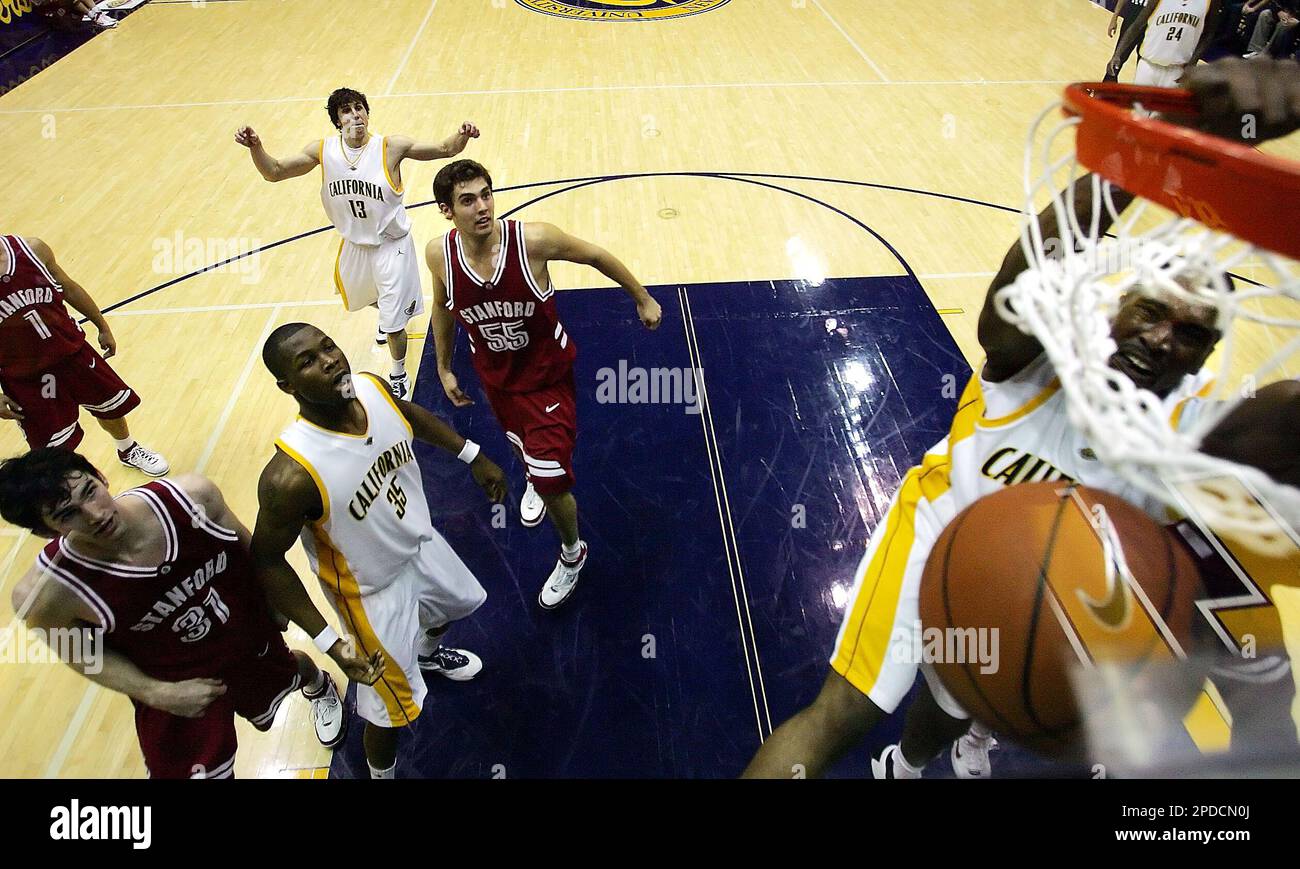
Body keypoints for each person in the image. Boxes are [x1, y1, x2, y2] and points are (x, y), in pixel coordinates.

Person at [741, 57, 1300, 780]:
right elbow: (1019, 279)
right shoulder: (1040, 353)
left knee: (967, 694)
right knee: (841, 711)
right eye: (1152, 309)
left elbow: (1287, 419)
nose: (1162, 336)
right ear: (1118, 303)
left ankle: (934, 748)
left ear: (1206, 355)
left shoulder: (1199, 434)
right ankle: (902, 768)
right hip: (945, 528)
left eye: (1190, 333)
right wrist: (1163, 137)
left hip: (1046, 583)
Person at [251, 322, 507, 779]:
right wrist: (331, 643)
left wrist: (472, 455)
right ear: (286, 386)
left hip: (419, 546)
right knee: (391, 711)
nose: (329, 359)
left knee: (451, 607)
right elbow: (267, 560)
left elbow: (408, 415)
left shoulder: (370, 388)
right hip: (370, 595)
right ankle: (380, 774)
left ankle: (427, 654)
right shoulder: (289, 477)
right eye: (307, 361)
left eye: (327, 346)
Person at [0, 449, 346, 779]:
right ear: (47, 532)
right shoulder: (43, 596)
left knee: (287, 674)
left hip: (242, 634)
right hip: (172, 682)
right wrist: (153, 693)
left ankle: (317, 684)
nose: (95, 514)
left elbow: (248, 547)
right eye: (67, 514)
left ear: (101, 476)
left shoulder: (192, 497)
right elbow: (78, 653)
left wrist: (274, 602)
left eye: (90, 491)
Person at [427, 159, 663, 610]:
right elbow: (441, 305)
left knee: (553, 480)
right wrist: (443, 366)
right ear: (446, 211)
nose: (482, 207)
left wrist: (643, 297)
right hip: (497, 381)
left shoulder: (531, 241)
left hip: (547, 380)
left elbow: (595, 255)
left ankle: (573, 554)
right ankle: (534, 474)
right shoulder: (439, 254)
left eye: (486, 194)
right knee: (522, 451)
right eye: (467, 200)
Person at [235, 88, 480, 399]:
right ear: (338, 121)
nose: (355, 115)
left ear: (367, 113)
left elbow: (446, 149)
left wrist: (462, 135)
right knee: (370, 301)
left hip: (393, 245)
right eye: (346, 111)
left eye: (359, 108)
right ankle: (387, 315)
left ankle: (398, 373)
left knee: (393, 324)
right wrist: (256, 147)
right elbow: (275, 172)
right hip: (356, 245)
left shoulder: (390, 147)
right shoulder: (323, 152)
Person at [0, 234, 168, 476]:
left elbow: (68, 287)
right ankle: (77, 483)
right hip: (27, 375)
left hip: (72, 353)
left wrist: (102, 326)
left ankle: (128, 449)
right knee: (53, 444)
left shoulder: (31, 249)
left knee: (110, 407)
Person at [1109, 0, 1223, 87]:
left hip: (1177, 69)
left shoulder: (1210, 2)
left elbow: (1209, 34)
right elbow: (1136, 25)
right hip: (1148, 65)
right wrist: (1117, 53)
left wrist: (1193, 63)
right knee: (1139, 114)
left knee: (1159, 117)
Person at [1105, 0, 1153, 81]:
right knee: (1117, 60)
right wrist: (1114, 17)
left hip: (1150, 24)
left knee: (1144, 65)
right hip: (1132, 16)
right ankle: (1104, 89)